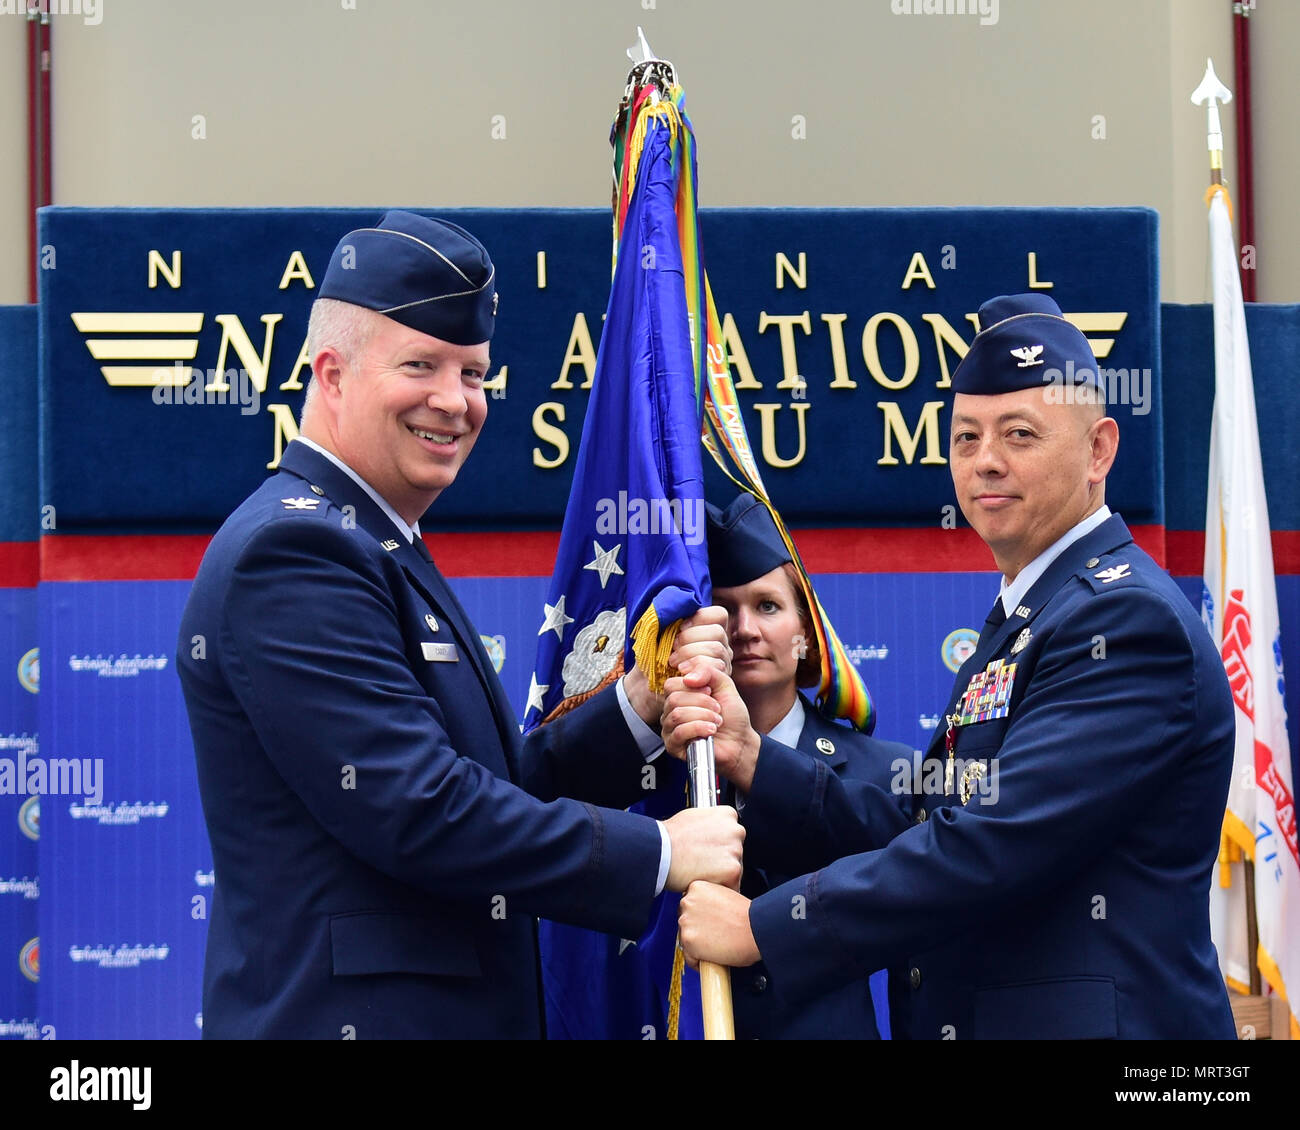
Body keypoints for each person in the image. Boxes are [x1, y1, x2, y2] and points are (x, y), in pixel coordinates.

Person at [176, 211, 743, 1039]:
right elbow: (421, 809)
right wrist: (660, 854)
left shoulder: (372, 539)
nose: (455, 401)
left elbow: (492, 784)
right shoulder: (296, 552)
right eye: (421, 366)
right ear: (330, 374)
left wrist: (637, 707)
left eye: (474, 374)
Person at [668, 293, 1238, 1039]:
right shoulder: (1036, 615)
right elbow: (931, 816)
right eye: (965, 437)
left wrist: (767, 927)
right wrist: (751, 757)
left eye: (1020, 434)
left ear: (1099, 450)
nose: (985, 460)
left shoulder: (1124, 622)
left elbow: (994, 840)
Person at [686, 494, 914, 1039]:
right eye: (724, 609)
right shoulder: (660, 769)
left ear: (806, 631)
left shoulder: (885, 772)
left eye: (767, 606)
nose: (744, 629)